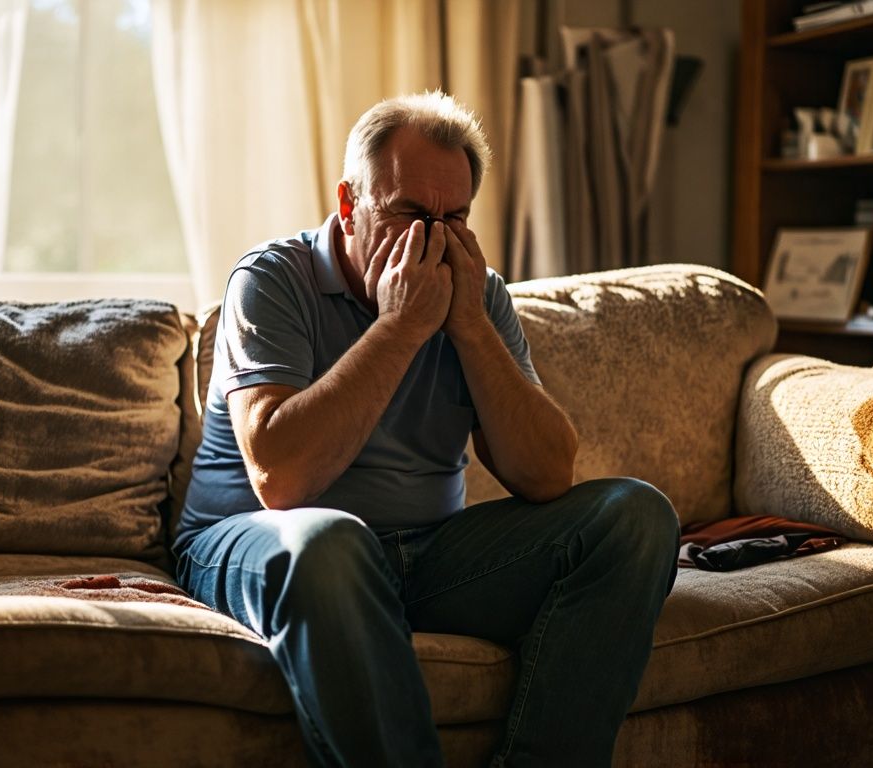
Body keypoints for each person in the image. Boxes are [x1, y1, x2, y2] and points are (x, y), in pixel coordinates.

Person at [176, 91, 679, 767]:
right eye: (409, 213)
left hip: (426, 554)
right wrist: (400, 327)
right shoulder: (271, 280)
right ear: (350, 204)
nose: (433, 239)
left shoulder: (478, 293)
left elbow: (546, 474)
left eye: (455, 218)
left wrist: (468, 325)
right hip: (262, 543)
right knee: (330, 544)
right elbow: (282, 478)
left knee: (634, 517)